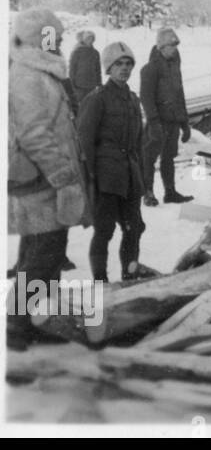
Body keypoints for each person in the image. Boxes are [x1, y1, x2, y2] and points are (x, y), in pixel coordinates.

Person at [7, 10, 90, 349]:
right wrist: (63, 176)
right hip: (42, 180)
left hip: (44, 179)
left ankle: (30, 319)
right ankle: (16, 325)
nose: (57, 41)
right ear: (37, 38)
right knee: (44, 252)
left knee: (41, 250)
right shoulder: (29, 75)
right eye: (51, 36)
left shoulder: (40, 71)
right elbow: (34, 135)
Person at [78, 41, 149, 282]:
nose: (125, 68)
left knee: (135, 228)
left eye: (129, 63)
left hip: (129, 177)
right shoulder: (97, 98)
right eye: (119, 63)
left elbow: (139, 142)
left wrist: (143, 177)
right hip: (105, 177)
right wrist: (90, 178)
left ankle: (129, 277)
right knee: (104, 231)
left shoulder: (132, 99)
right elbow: (84, 142)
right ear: (108, 67)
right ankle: (100, 282)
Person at [139, 27, 193, 206]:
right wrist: (154, 123)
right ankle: (148, 192)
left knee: (168, 157)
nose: (174, 49)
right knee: (149, 157)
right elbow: (146, 98)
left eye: (175, 46)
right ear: (161, 47)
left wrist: (185, 123)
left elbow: (180, 94)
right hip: (158, 121)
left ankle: (170, 192)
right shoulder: (150, 69)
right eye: (171, 46)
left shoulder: (175, 67)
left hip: (173, 121)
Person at [67, 29, 101, 112]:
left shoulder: (95, 53)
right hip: (79, 85)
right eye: (88, 38)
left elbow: (98, 69)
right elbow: (72, 68)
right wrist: (72, 82)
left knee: (90, 106)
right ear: (84, 40)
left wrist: (99, 83)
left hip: (91, 85)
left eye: (92, 39)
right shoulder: (77, 52)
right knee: (80, 106)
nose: (90, 41)